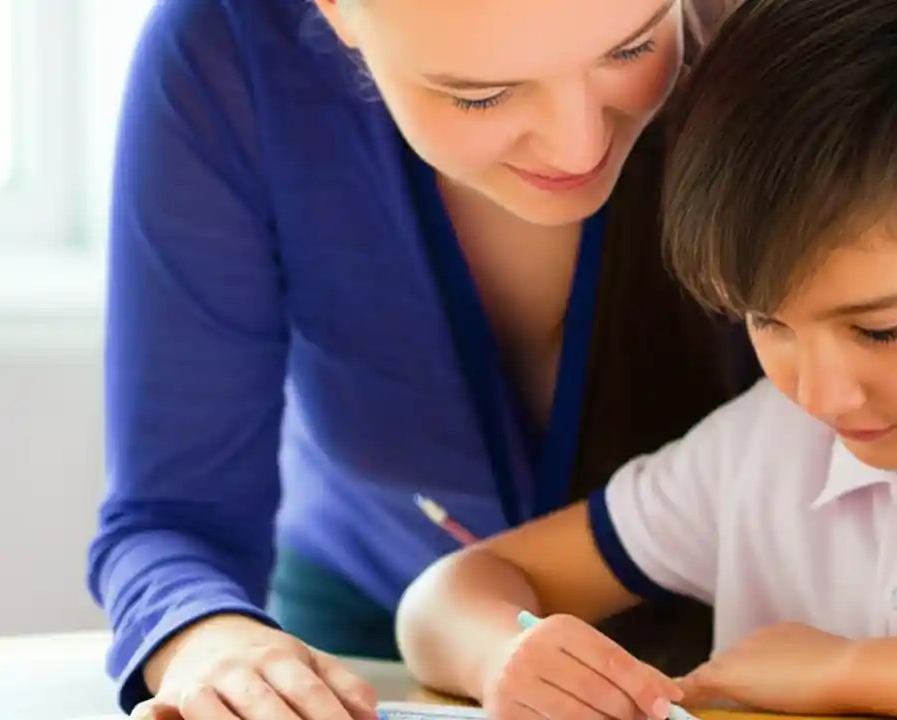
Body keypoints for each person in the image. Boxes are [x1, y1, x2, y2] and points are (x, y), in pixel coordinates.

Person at [396, 0, 897, 717]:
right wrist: (501, 657)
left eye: (881, 330)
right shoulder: (762, 451)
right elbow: (460, 588)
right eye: (769, 323)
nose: (819, 393)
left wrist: (847, 670)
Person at [85, 0, 754, 717]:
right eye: (479, 94)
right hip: (369, 649)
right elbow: (173, 515)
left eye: (631, 48)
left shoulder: (806, 32)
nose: (578, 148)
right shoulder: (226, 50)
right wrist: (209, 641)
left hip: (765, 653)